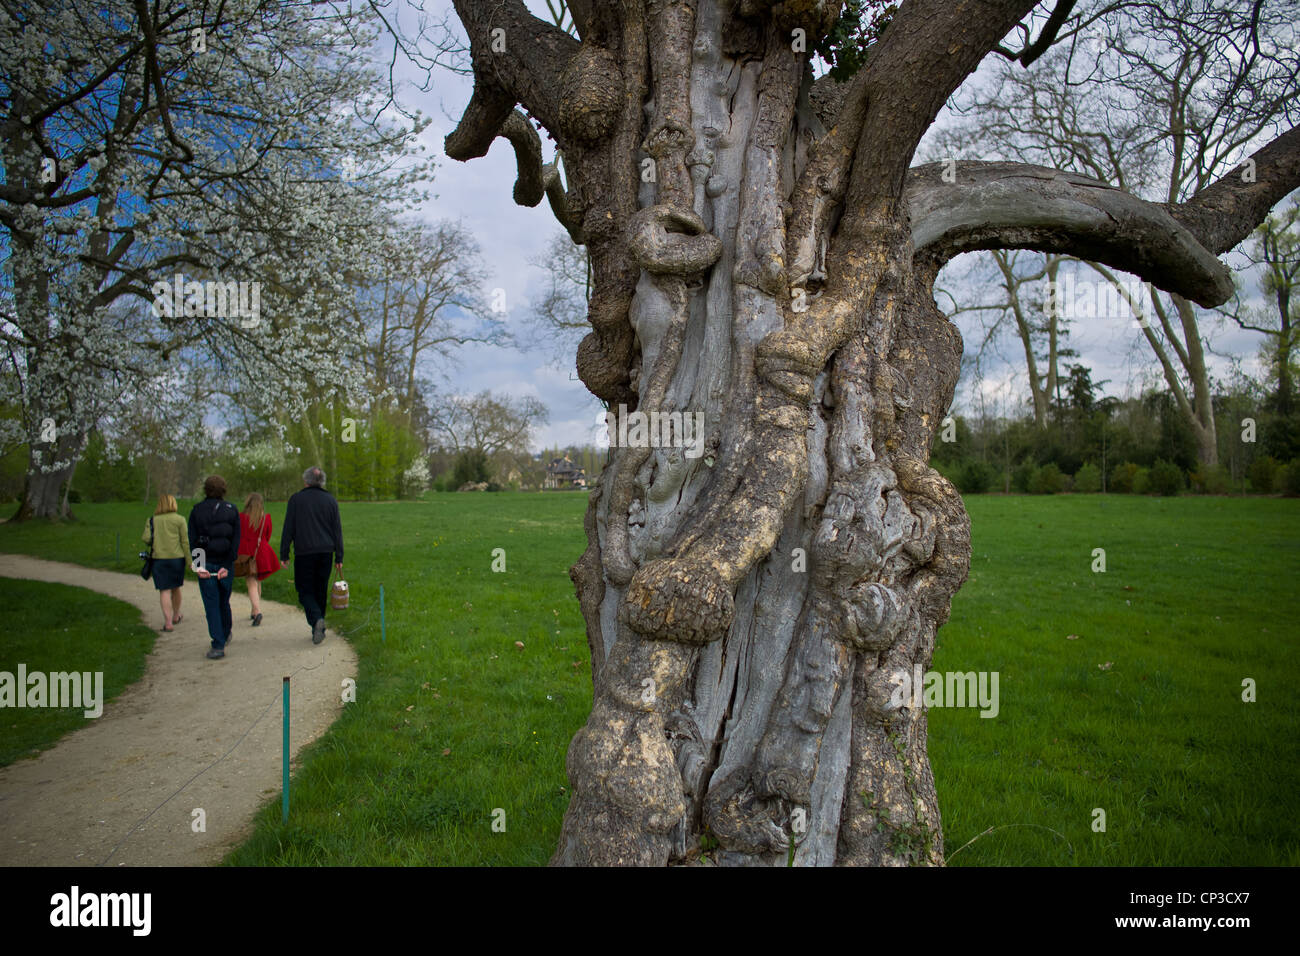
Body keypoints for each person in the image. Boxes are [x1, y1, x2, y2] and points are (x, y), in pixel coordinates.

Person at [280, 466, 344, 645]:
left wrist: (284, 553)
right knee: (320, 589)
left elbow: (289, 528)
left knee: (304, 590)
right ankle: (319, 624)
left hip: (304, 552)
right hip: (325, 552)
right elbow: (337, 530)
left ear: (305, 480)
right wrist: (339, 556)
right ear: (322, 481)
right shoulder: (330, 500)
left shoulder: (296, 500)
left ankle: (316, 620)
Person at [188, 475, 240, 660]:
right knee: (223, 601)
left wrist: (199, 565)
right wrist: (227, 564)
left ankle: (218, 642)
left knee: (212, 604)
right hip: (224, 562)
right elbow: (235, 541)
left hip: (208, 561)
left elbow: (193, 540)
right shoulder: (232, 510)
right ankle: (224, 633)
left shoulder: (197, 511)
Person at [143, 493, 189, 631]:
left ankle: (168, 622)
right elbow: (185, 541)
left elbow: (146, 539)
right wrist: (190, 560)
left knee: (164, 590)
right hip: (177, 559)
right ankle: (176, 615)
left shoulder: (152, 520)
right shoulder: (180, 520)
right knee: (176, 587)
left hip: (159, 559)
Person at [237, 492, 281, 626]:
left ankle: (256, 611)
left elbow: (238, 535)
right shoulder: (266, 518)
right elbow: (267, 536)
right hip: (260, 551)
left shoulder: (240, 517)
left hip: (246, 552)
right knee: (257, 580)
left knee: (251, 582)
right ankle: (254, 610)